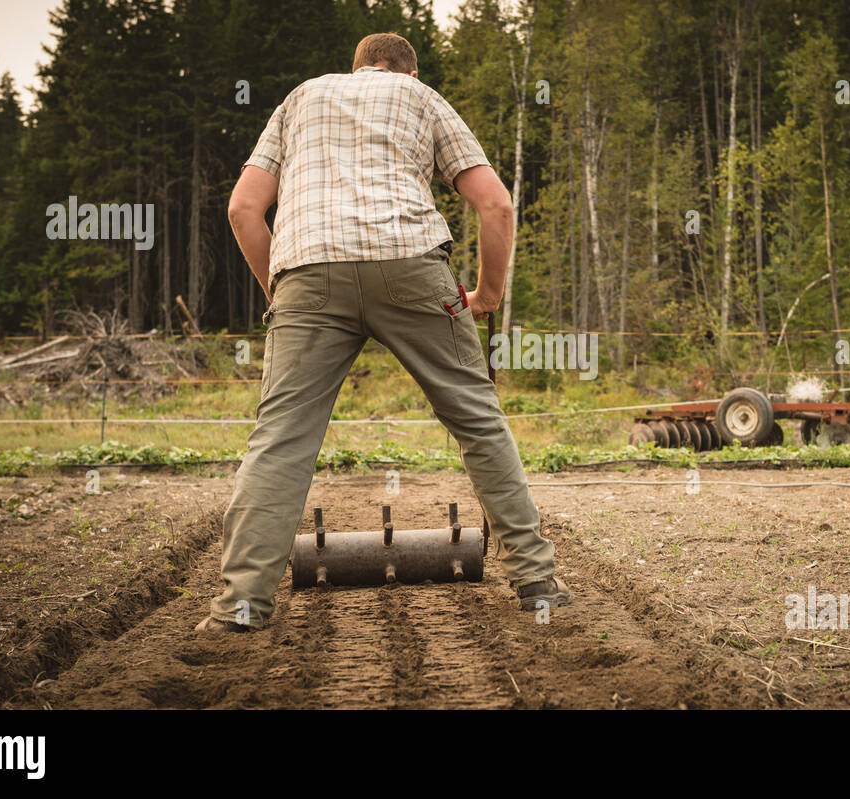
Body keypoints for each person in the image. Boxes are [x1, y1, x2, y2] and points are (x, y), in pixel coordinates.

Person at [196, 32, 570, 633]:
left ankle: (241, 605)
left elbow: (244, 208)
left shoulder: (300, 98)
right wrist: (490, 293)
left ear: (357, 67)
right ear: (408, 73)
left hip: (308, 272)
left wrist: (283, 292)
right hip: (412, 264)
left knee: (281, 439)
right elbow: (495, 205)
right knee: (477, 419)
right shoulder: (420, 99)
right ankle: (535, 582)